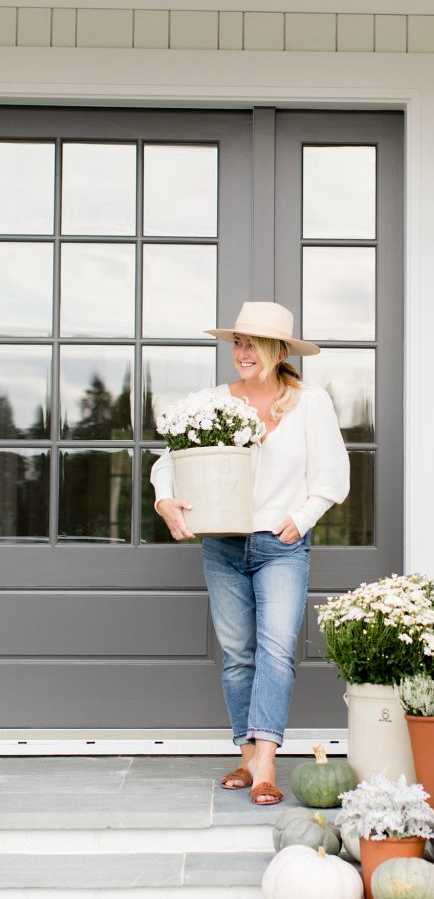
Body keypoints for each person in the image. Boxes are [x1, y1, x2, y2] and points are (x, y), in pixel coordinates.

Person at [151, 301, 350, 805]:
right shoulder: (213, 401)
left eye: (252, 344)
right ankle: (246, 755)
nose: (241, 353)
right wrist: (164, 499)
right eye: (237, 343)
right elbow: (169, 461)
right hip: (222, 544)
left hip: (281, 546)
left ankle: (266, 762)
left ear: (279, 352)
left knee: (276, 651)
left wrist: (302, 517)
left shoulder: (310, 403)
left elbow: (333, 476)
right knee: (238, 655)